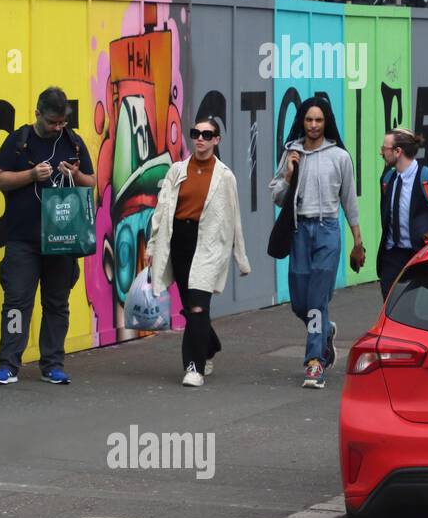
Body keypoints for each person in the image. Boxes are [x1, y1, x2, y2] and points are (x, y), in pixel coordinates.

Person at [0, 87, 96, 385]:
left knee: (57, 302)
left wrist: (74, 175)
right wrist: (32, 175)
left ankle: (52, 365)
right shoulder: (19, 141)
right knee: (16, 302)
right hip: (22, 239)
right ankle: (8, 365)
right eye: (52, 122)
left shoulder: (73, 143)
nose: (58, 128)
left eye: (62, 122)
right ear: (37, 113)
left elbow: (91, 181)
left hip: (62, 240)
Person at [145, 118, 250, 387]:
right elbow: (162, 211)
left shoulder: (225, 176)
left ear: (217, 140)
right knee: (191, 309)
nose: (200, 139)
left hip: (209, 247)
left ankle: (194, 367)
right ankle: (210, 344)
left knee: (197, 305)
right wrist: (153, 247)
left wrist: (240, 257)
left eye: (207, 134)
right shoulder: (177, 170)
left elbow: (233, 218)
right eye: (196, 134)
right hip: (180, 242)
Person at [269, 96, 364, 390]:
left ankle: (314, 363)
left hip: (327, 232)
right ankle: (325, 332)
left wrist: (358, 241)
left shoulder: (340, 157)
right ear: (302, 121)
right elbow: (276, 195)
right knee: (301, 301)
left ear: (326, 122)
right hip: (299, 231)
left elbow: (349, 201)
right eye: (309, 120)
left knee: (316, 301)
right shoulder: (292, 153)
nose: (313, 125)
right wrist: (287, 176)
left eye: (318, 120)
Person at [376, 127, 428, 299]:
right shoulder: (387, 181)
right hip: (392, 258)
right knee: (390, 307)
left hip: (422, 255)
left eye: (384, 148)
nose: (381, 152)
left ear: (398, 151)